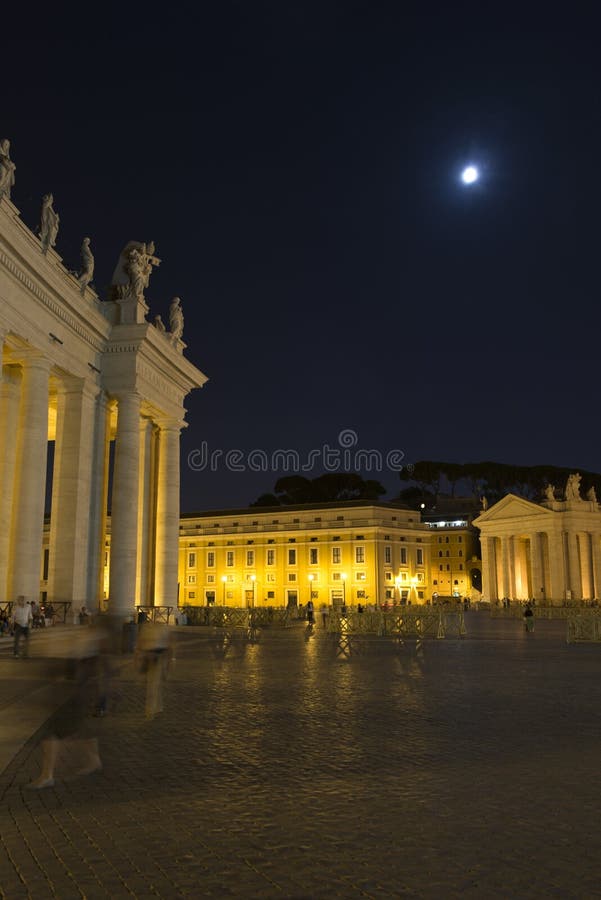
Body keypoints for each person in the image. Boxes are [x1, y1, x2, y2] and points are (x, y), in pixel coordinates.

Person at [27, 624, 105, 789]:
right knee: (80, 728)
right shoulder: (78, 641)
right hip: (73, 697)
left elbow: (68, 674)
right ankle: (94, 760)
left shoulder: (70, 644)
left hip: (68, 698)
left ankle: (47, 775)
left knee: (51, 733)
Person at [0, 138, 16, 202]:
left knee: (7, 172)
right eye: (5, 144)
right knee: (3, 171)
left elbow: (13, 182)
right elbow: (3, 160)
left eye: (7, 145)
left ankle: (4, 190)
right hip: (1, 165)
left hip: (6, 168)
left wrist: (12, 167)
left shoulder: (8, 158)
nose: (6, 146)